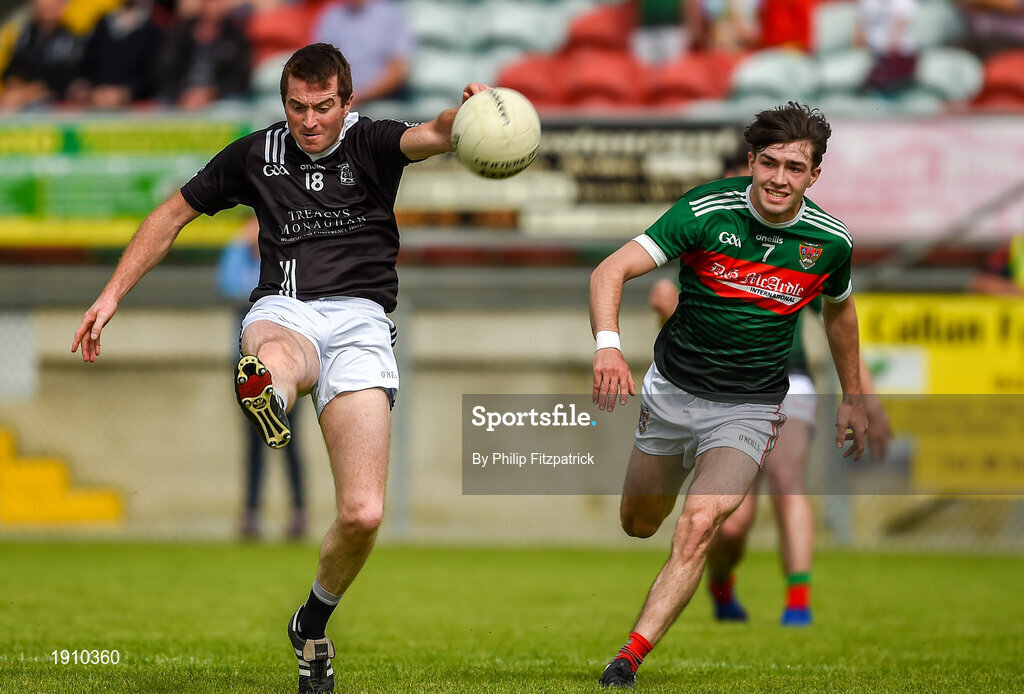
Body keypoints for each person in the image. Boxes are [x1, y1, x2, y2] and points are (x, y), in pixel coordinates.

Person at [72, 42, 487, 694]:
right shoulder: (257, 153)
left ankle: (310, 624)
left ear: (347, 102)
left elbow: (434, 133)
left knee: (363, 514)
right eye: (297, 108)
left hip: (361, 325)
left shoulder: (374, 142)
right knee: (277, 357)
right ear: (284, 103)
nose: (310, 121)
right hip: (285, 309)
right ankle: (272, 391)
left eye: (324, 107)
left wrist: (466, 120)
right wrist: (110, 294)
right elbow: (172, 213)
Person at [590, 102, 869, 688]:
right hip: (672, 392)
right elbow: (609, 271)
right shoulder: (703, 211)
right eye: (769, 164)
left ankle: (629, 657)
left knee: (700, 523)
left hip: (750, 405)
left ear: (814, 175)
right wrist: (609, 346)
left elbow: (840, 314)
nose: (779, 179)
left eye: (796, 168)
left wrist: (853, 394)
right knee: (640, 523)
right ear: (751, 161)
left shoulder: (830, 242)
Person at [217, 220, 307, 540]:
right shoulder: (241, 254)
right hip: (248, 368)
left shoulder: (284, 253)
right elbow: (228, 285)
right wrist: (241, 246)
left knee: (291, 441)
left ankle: (297, 512)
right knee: (253, 442)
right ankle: (252, 513)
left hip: (285, 362)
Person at [67, 0, 164, 108]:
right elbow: (87, 65)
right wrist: (84, 86)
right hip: (97, 102)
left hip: (137, 108)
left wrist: (126, 93)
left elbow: (155, 76)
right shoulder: (103, 23)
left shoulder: (155, 25)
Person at [312, 0, 412, 104]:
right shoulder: (332, 16)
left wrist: (359, 96)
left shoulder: (390, 15)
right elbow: (320, 63)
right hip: (340, 97)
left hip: (382, 99)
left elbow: (398, 71)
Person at [157, 0, 252, 110]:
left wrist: (211, 93)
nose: (213, 7)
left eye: (217, 2)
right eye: (209, 2)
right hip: (180, 96)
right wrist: (181, 93)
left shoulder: (236, 35)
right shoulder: (180, 31)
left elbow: (240, 77)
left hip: (222, 98)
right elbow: (166, 69)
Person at [0, 0, 83, 112]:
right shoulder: (26, 36)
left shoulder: (70, 40)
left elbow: (66, 78)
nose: (45, 15)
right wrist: (15, 83)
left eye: (50, 10)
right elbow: (14, 68)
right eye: (42, 10)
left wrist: (31, 91)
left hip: (56, 99)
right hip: (24, 95)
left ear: (61, 9)